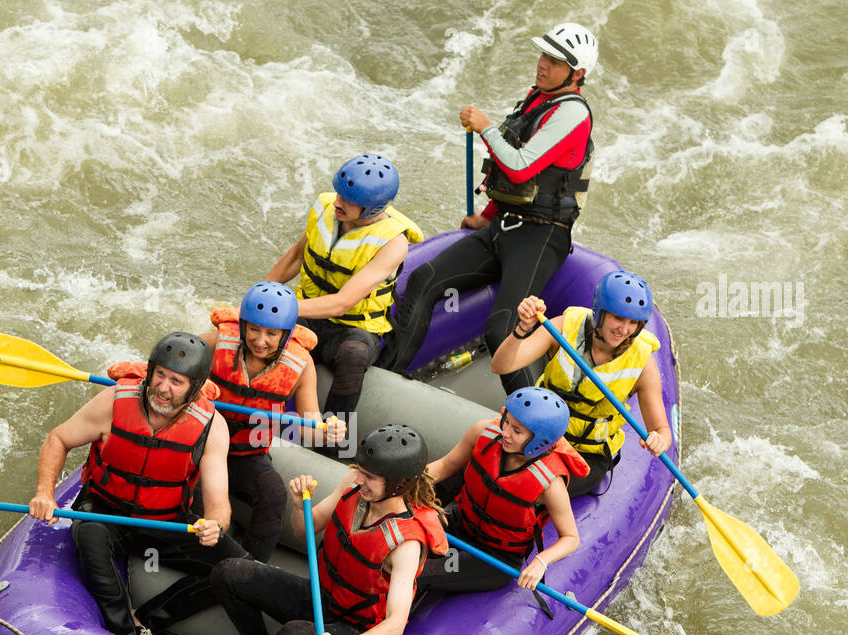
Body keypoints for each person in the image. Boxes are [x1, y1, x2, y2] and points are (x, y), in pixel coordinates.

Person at [379, 22, 599, 387]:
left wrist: (485, 127)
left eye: (555, 61)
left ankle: (534, 422)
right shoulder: (538, 98)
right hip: (505, 227)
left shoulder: (573, 113)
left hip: (541, 237)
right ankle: (387, 377)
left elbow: (520, 166)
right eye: (543, 55)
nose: (543, 64)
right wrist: (487, 218)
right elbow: (515, 180)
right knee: (425, 279)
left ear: (577, 74)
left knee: (502, 329)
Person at [29, 331, 250, 635]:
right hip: (106, 511)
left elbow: (219, 507)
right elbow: (59, 439)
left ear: (194, 388)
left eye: (176, 381)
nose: (162, 388)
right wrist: (44, 492)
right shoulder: (115, 401)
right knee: (89, 533)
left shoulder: (212, 428)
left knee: (240, 570)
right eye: (160, 374)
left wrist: (215, 526)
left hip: (164, 520)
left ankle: (150, 616)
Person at [210, 425, 447, 635]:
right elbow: (305, 530)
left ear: (399, 484)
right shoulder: (353, 487)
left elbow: (395, 626)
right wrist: (299, 506)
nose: (358, 479)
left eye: (369, 477)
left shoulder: (405, 545)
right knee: (227, 573)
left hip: (356, 628)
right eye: (360, 471)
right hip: (321, 597)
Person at [266, 153, 424, 419]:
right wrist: (262, 294)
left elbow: (342, 303)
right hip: (309, 315)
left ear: (373, 208)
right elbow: (296, 255)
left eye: (348, 202)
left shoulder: (393, 242)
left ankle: (333, 440)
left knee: (354, 354)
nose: (338, 203)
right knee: (267, 337)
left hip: (355, 328)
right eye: (339, 195)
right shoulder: (326, 210)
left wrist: (278, 307)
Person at [199, 281, 346, 561]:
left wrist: (328, 431)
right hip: (201, 446)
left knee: (274, 498)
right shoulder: (215, 342)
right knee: (190, 497)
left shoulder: (300, 366)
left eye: (271, 333)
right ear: (242, 325)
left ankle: (250, 570)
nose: (260, 340)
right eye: (253, 329)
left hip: (247, 453)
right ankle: (206, 560)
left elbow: (310, 427)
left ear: (287, 334)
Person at [491, 270, 671, 498]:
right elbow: (501, 366)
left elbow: (661, 430)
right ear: (599, 312)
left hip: (588, 455)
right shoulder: (565, 327)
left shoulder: (643, 366)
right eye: (617, 318)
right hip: (538, 432)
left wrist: (658, 440)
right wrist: (522, 329)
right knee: (486, 461)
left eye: (633, 322)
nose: (624, 329)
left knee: (532, 486)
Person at [418, 387, 585, 595]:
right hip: (458, 525)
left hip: (494, 558)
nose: (505, 432)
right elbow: (444, 466)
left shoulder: (551, 485)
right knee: (402, 541)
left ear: (539, 441)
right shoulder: (482, 431)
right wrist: (408, 482)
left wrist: (542, 561)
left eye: (517, 431)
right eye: (507, 422)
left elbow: (571, 538)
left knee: (420, 570)